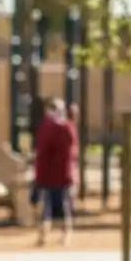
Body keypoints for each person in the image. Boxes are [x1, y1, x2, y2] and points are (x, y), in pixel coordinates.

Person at [33, 98, 78, 246]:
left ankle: (44, 235)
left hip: (49, 175)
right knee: (63, 206)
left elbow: (42, 151)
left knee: (47, 206)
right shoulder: (68, 128)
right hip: (63, 174)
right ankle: (62, 235)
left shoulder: (47, 127)